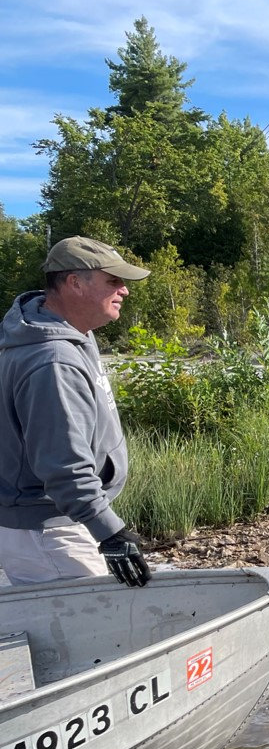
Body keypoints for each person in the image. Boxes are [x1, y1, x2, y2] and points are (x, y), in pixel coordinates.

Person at [0, 236, 153, 586]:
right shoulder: (52, 361)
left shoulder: (72, 334)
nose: (125, 290)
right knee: (97, 631)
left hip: (58, 522)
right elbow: (63, 464)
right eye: (113, 280)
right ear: (75, 283)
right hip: (49, 533)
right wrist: (110, 533)